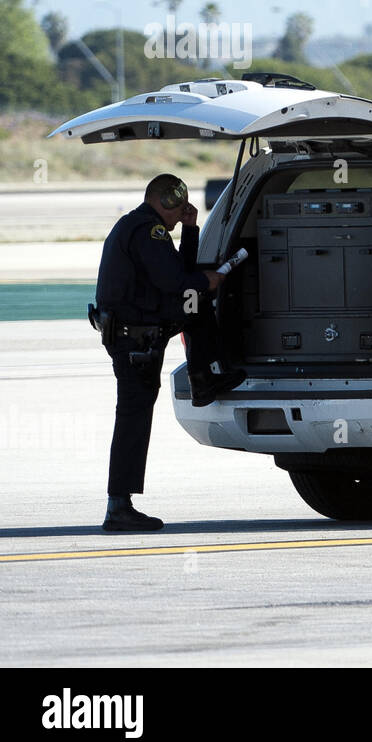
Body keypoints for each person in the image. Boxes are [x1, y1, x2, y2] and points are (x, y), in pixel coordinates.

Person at [94, 174, 241, 532]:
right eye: (179, 211)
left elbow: (178, 272)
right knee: (133, 416)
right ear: (167, 202)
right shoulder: (149, 231)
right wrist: (208, 281)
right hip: (136, 341)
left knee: (197, 307)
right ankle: (118, 507)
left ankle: (204, 379)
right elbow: (176, 282)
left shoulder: (138, 226)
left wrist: (191, 230)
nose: (180, 217)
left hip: (137, 333)